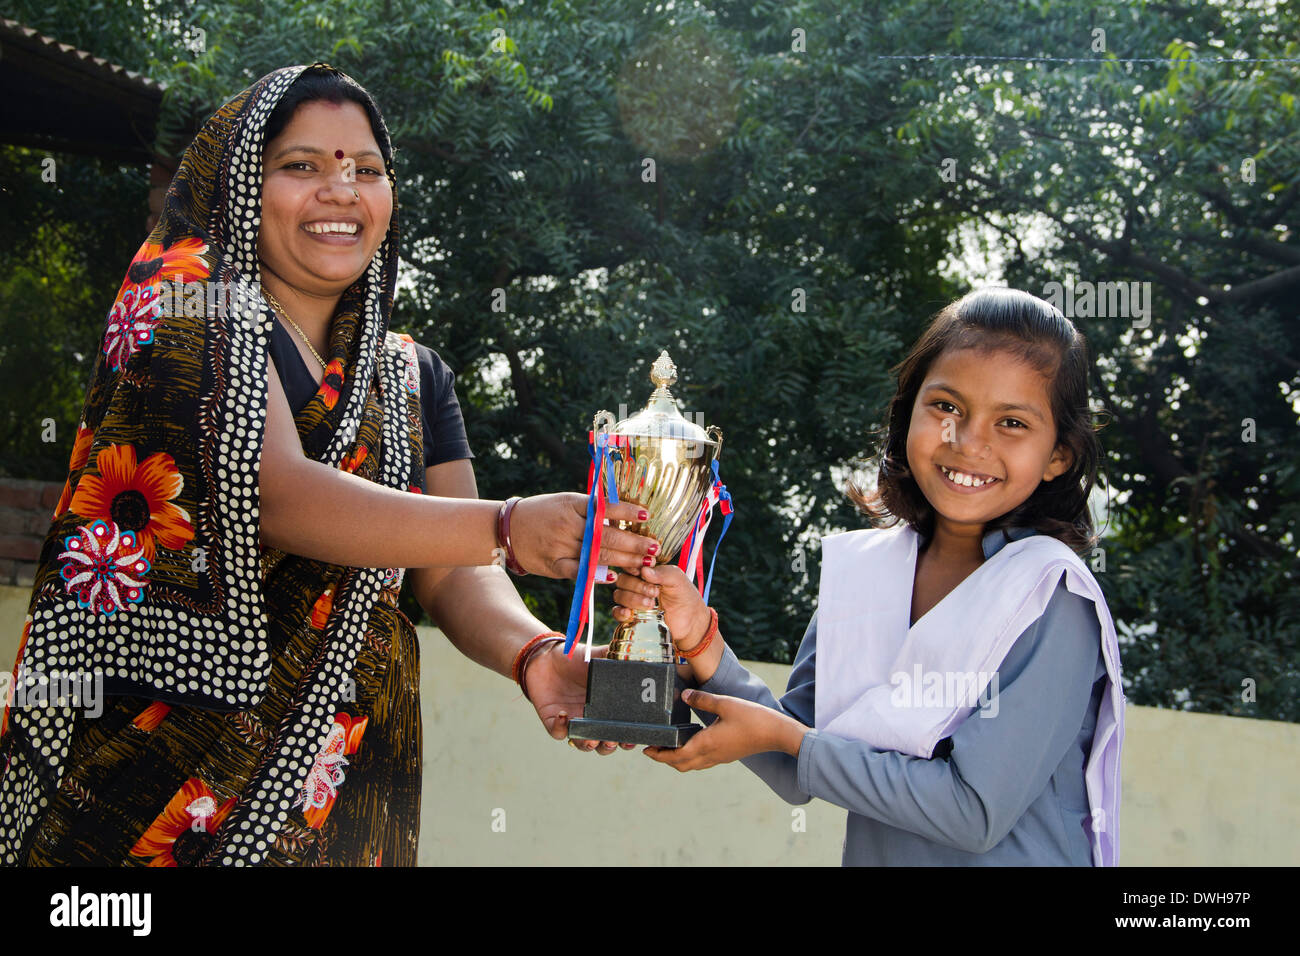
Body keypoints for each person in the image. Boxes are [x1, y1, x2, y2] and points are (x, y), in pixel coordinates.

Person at [0, 63, 656, 867]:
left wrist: (535, 653)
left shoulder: (411, 375)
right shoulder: (183, 300)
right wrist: (509, 526)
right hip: (159, 763)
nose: (342, 189)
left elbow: (451, 572)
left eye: (367, 170)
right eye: (302, 165)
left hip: (340, 778)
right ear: (242, 185)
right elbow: (279, 493)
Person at [613, 288, 1127, 865]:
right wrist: (700, 642)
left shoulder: (1051, 594)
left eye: (1011, 422)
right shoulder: (867, 573)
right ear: (908, 411)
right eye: (947, 408)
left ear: (1059, 453)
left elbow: (973, 811)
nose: (968, 441)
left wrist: (787, 739)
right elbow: (795, 764)